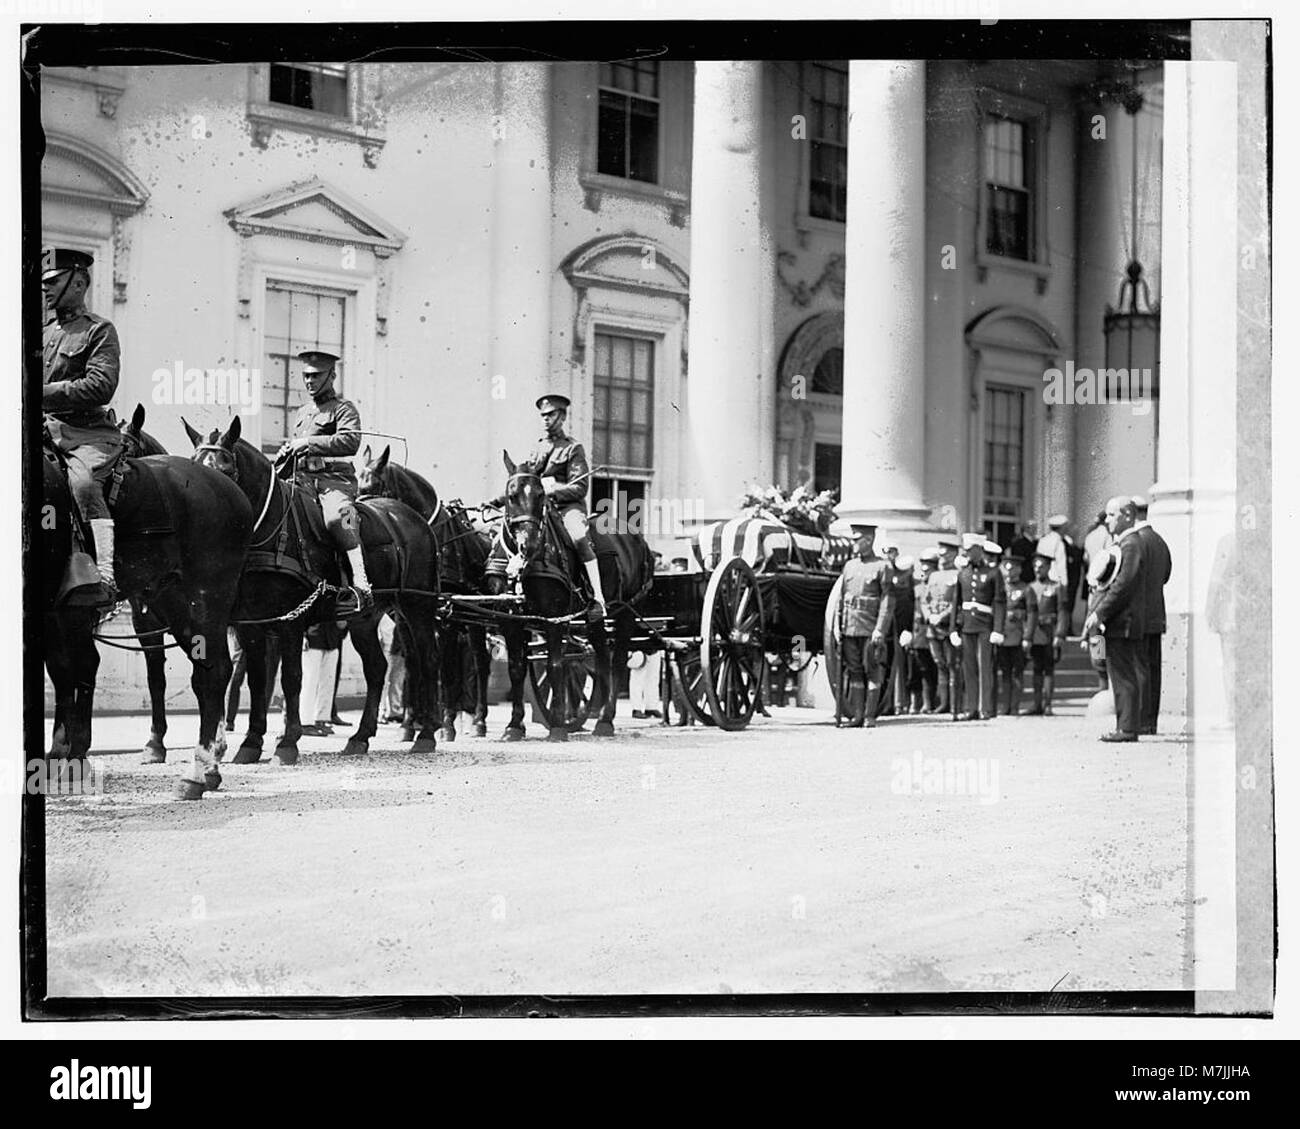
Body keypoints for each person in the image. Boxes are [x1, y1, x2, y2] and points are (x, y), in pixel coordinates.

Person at [41, 248, 125, 604]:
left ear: (77, 283)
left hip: (85, 435)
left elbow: (100, 385)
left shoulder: (99, 330)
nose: (44, 289)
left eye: (53, 282)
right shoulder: (42, 332)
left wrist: (41, 393)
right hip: (43, 429)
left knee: (84, 484)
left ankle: (103, 575)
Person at [491, 394, 608, 619]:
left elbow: (580, 487)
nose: (546, 419)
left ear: (562, 417)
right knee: (506, 536)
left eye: (551, 415)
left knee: (578, 537)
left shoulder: (573, 448)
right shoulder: (537, 448)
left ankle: (597, 598)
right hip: (539, 508)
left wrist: (553, 488)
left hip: (567, 507)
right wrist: (496, 501)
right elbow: (523, 482)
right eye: (543, 415)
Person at [276, 350, 373, 613]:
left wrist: (308, 443)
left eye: (316, 375)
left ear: (332, 375)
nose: (309, 381)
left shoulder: (344, 409)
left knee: (340, 518)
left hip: (334, 481)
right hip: (302, 480)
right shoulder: (303, 412)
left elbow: (351, 441)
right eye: (306, 375)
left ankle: (361, 585)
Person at [1083, 496, 1149, 742]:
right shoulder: (1126, 543)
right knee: (1120, 673)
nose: (1107, 520)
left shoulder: (1131, 544)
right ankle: (1126, 725)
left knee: (1123, 675)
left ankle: (1127, 728)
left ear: (1128, 515)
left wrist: (1099, 612)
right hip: (1120, 620)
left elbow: (1122, 585)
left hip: (1123, 620)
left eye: (1112, 515)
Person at [837, 522, 894, 728]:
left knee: (872, 670)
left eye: (857, 539)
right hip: (850, 627)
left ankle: (870, 715)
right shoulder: (849, 566)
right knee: (854, 671)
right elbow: (841, 599)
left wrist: (880, 628)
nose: (853, 543)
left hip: (870, 628)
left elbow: (888, 601)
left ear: (869, 540)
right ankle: (858, 715)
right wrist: (838, 627)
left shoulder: (883, 566)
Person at [949, 532, 1006, 721]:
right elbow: (956, 603)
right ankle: (971, 707)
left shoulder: (992, 573)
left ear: (980, 550)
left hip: (984, 626)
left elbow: (999, 602)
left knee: (985, 668)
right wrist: (952, 629)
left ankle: (985, 708)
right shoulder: (962, 573)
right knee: (969, 668)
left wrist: (998, 629)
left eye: (970, 550)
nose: (967, 554)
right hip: (967, 626)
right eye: (966, 550)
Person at [1132, 496, 1172, 735]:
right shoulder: (1160, 541)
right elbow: (1166, 575)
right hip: (1157, 614)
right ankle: (1150, 721)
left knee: (1139, 670)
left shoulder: (1136, 542)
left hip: (1138, 616)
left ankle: (1141, 721)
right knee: (1154, 670)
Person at [921, 534, 963, 718]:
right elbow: (925, 600)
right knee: (940, 665)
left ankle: (955, 703)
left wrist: (942, 616)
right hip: (933, 627)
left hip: (948, 626)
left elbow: (957, 603)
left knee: (952, 664)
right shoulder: (934, 576)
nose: (943, 557)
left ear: (954, 554)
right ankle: (943, 702)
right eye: (941, 554)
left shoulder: (957, 575)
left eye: (946, 554)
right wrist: (929, 615)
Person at [1026, 551, 1069, 715]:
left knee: (1049, 668)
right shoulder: (1030, 587)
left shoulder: (1057, 587)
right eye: (1035, 566)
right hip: (1035, 632)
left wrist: (1060, 634)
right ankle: (1036, 704)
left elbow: (1063, 612)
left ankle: (1048, 704)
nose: (1038, 570)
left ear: (1048, 568)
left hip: (1050, 632)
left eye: (1041, 566)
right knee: (1036, 668)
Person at [996, 555, 1033, 716]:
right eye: (1006, 568)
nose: (1009, 572)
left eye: (1013, 569)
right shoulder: (999, 587)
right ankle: (1004, 706)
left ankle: (1015, 706)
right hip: (1001, 634)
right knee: (1004, 672)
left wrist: (1028, 637)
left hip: (1018, 634)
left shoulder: (1026, 589)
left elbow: (1032, 615)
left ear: (1019, 570)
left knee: (1017, 672)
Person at [905, 550, 940, 714]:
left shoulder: (938, 586)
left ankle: (928, 702)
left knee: (929, 669)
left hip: (932, 630)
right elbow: (909, 610)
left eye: (929, 568)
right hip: (917, 631)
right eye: (924, 568)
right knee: (915, 668)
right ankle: (914, 702)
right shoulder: (916, 588)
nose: (925, 571)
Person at [889, 555, 917, 714]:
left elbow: (911, 610)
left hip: (903, 632)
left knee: (902, 669)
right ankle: (896, 703)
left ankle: (900, 703)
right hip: (894, 631)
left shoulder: (909, 589)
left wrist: (909, 630)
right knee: (898, 668)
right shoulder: (901, 589)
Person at [1036, 514, 1071, 589]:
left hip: (1042, 579)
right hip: (1055, 581)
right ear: (1062, 527)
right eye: (1066, 526)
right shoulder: (1059, 543)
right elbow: (1061, 565)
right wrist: (1064, 584)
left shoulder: (1042, 540)